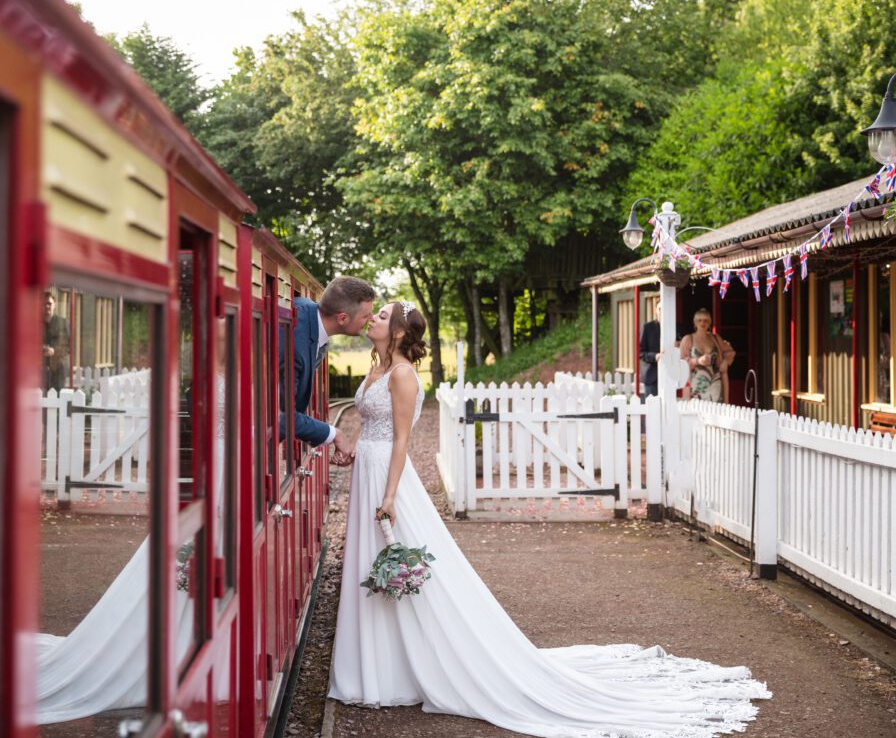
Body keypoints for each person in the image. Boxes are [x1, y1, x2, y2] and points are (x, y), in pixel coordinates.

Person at [327, 301, 769, 736]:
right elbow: (368, 426)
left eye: (382, 316)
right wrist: (349, 448)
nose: (373, 320)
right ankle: (376, 668)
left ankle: (407, 667)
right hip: (366, 470)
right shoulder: (375, 367)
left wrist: (389, 496)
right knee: (373, 567)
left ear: (401, 333)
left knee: (409, 573)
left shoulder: (402, 374)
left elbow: (402, 440)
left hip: (389, 481)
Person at [281, 276, 375, 462]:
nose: (371, 319)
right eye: (365, 316)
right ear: (342, 318)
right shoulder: (295, 346)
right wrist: (335, 434)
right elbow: (282, 415)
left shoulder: (309, 315)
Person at [680, 308, 735, 402]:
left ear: (709, 323)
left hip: (716, 386)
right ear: (695, 323)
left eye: (706, 321)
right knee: (696, 414)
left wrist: (725, 362)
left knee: (717, 413)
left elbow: (730, 352)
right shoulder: (688, 339)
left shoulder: (715, 338)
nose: (702, 323)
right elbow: (681, 364)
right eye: (699, 320)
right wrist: (697, 361)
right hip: (696, 386)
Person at [42, 290, 71, 391]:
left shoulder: (63, 323)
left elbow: (68, 347)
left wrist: (54, 351)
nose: (46, 306)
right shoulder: (35, 324)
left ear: (54, 305)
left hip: (58, 371)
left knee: (57, 401)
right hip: (40, 371)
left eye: (49, 303)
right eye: (44, 304)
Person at [638, 300, 662, 397]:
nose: (662, 311)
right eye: (660, 309)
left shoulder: (676, 327)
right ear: (656, 310)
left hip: (670, 376)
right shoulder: (648, 327)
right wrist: (655, 356)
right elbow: (640, 353)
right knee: (652, 409)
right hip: (652, 376)